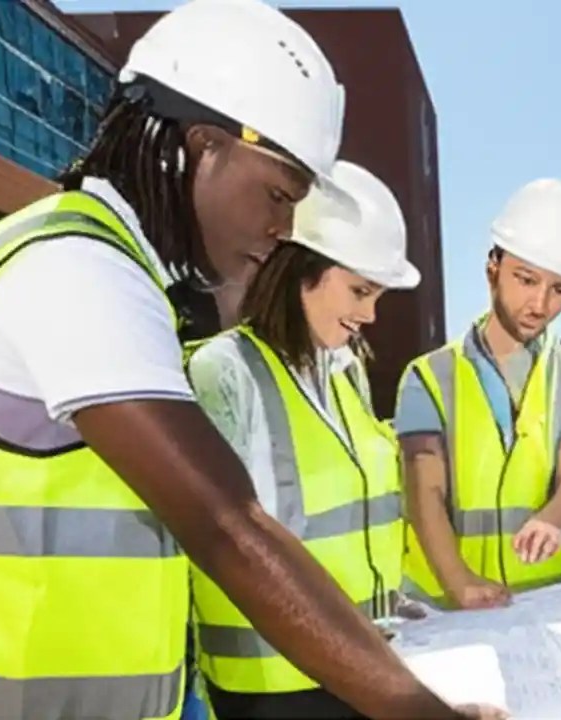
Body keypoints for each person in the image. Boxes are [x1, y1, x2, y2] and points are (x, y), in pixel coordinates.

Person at [0, 1, 497, 718]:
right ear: (200, 147)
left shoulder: (99, 263)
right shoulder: (77, 267)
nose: (283, 229)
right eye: (277, 195)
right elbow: (227, 528)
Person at [185, 161, 433, 718]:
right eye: (360, 291)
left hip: (359, 667)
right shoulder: (224, 372)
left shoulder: (346, 372)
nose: (370, 314)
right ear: (300, 270)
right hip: (271, 688)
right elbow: (217, 539)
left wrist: (389, 600)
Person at [396, 178, 561, 609]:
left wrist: (553, 519)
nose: (540, 304)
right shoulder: (427, 378)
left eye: (559, 289)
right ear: (493, 268)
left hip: (545, 599)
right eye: (526, 279)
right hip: (445, 609)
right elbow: (424, 494)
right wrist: (460, 583)